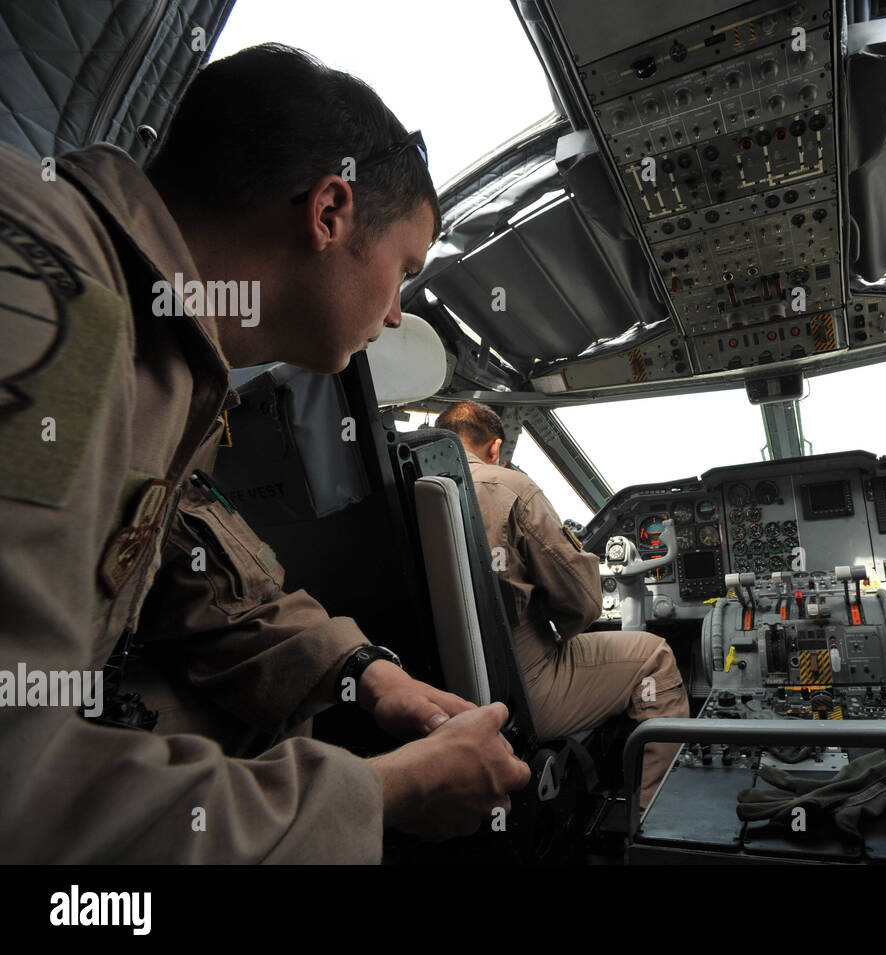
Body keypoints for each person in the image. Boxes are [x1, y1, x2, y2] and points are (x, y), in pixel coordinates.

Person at [0, 44, 530, 863]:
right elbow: (19, 789)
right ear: (329, 211)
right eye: (403, 271)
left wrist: (365, 672)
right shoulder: (58, 300)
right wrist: (389, 791)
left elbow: (196, 574)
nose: (396, 314)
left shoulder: (163, 363)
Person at [434, 401, 690, 809]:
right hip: (521, 691)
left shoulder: (406, 486)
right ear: (495, 448)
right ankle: (656, 820)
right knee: (653, 656)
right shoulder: (510, 488)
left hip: (433, 691)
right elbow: (583, 604)